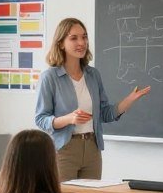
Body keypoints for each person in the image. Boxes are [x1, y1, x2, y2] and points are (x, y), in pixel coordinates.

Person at [33, 17, 150, 181]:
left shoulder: (93, 75)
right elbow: (41, 119)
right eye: (74, 38)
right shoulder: (50, 77)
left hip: (92, 149)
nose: (81, 42)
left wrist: (129, 100)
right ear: (61, 43)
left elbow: (105, 114)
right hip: (64, 149)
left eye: (84, 37)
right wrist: (69, 119)